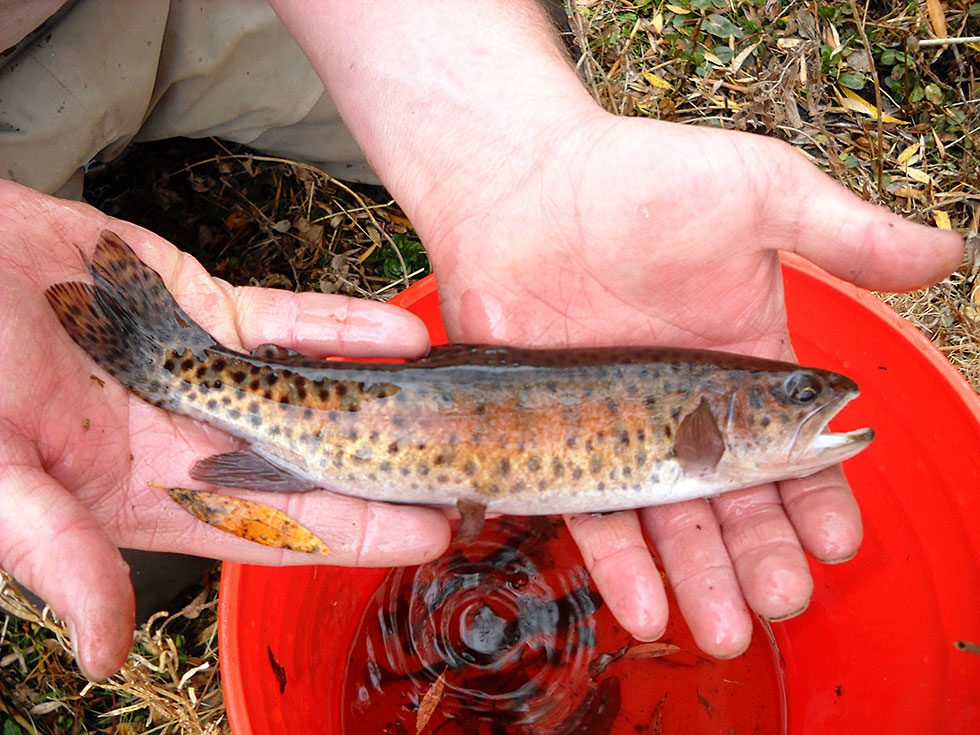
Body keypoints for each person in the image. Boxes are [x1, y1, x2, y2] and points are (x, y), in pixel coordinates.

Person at [0, 1, 963, 682]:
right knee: (143, 524)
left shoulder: (705, 428)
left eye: (793, 392)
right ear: (725, 419)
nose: (814, 400)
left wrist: (516, 146)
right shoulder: (701, 437)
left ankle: (174, 376)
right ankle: (166, 448)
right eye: (792, 399)